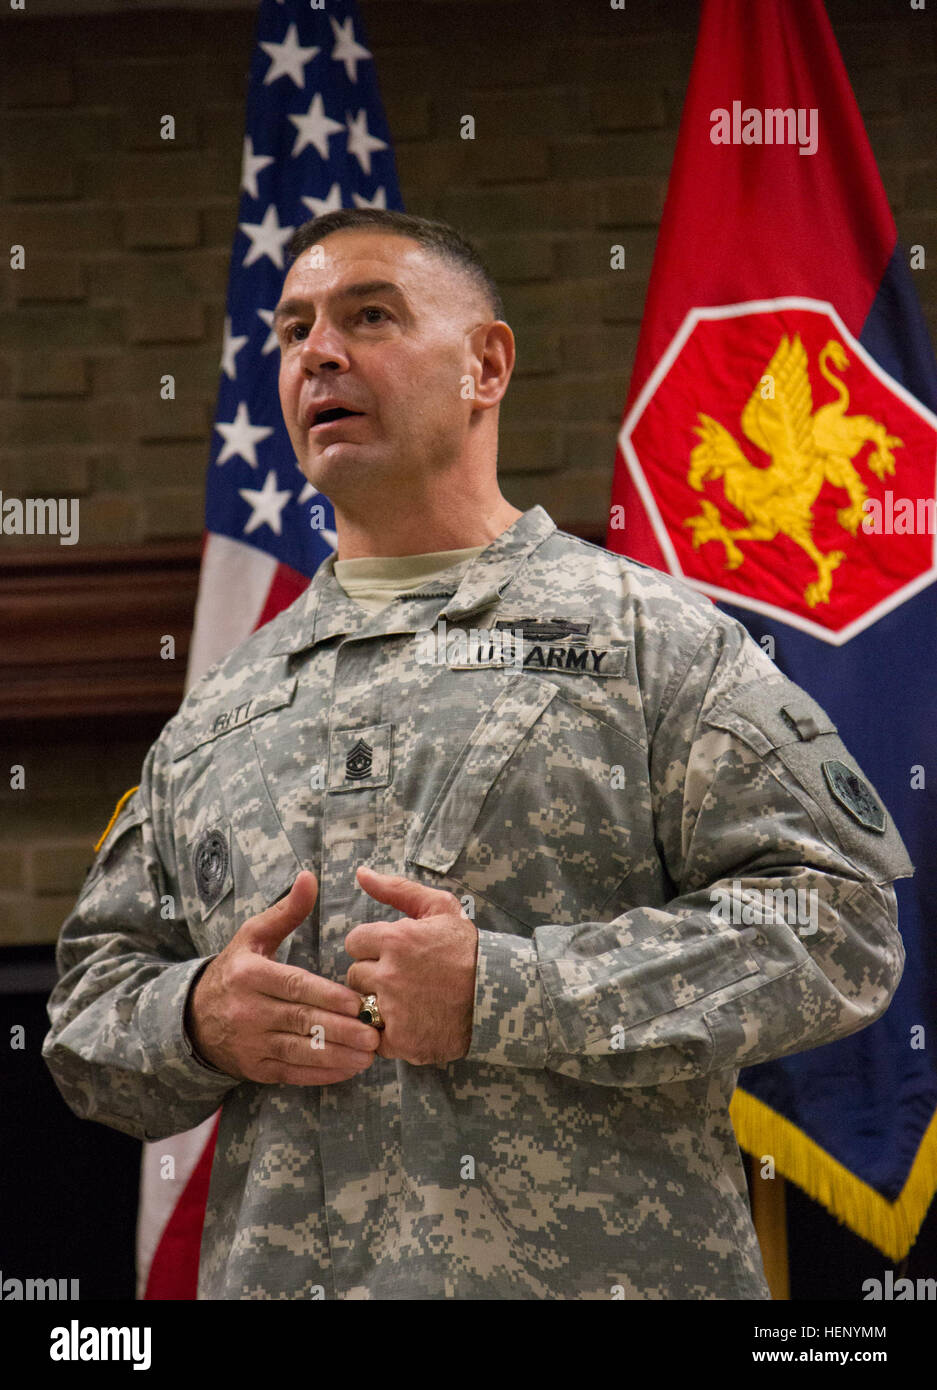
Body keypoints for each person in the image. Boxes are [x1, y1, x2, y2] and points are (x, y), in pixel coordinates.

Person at [43, 208, 913, 1300]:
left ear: (485, 364)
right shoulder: (218, 711)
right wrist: (196, 1017)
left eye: (370, 316)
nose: (319, 352)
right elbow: (84, 1014)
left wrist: (511, 989)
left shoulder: (652, 642)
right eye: (293, 329)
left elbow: (839, 925)